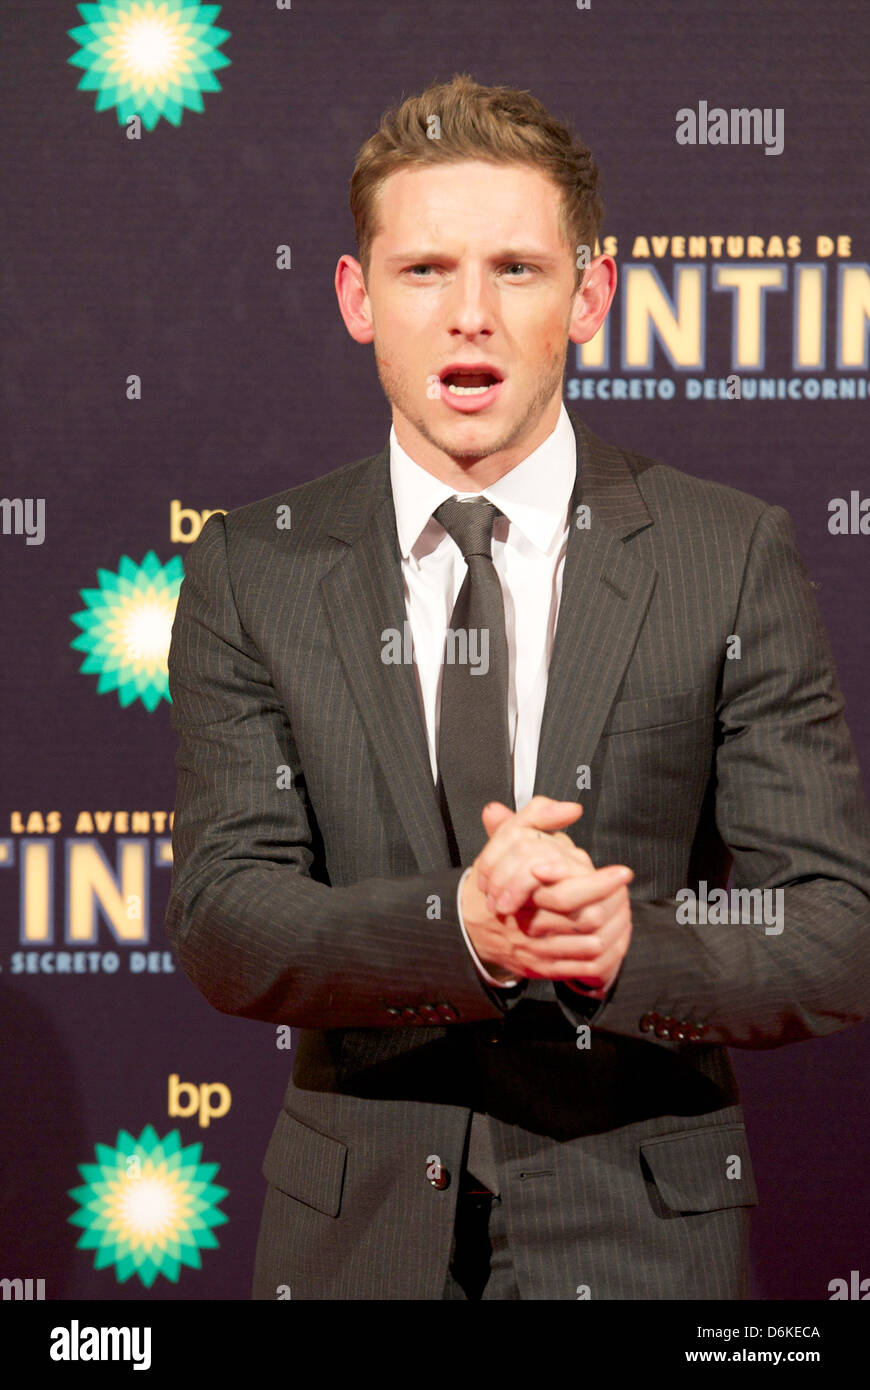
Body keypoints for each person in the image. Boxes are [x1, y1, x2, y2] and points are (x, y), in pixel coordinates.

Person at [165, 74, 870, 1300]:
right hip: (354, 1245)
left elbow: (834, 932)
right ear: (358, 298)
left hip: (646, 1239)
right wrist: (463, 933)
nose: (469, 317)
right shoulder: (255, 564)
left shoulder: (726, 553)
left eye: (519, 270)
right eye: (426, 271)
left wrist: (630, 947)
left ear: (591, 294)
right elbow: (227, 918)